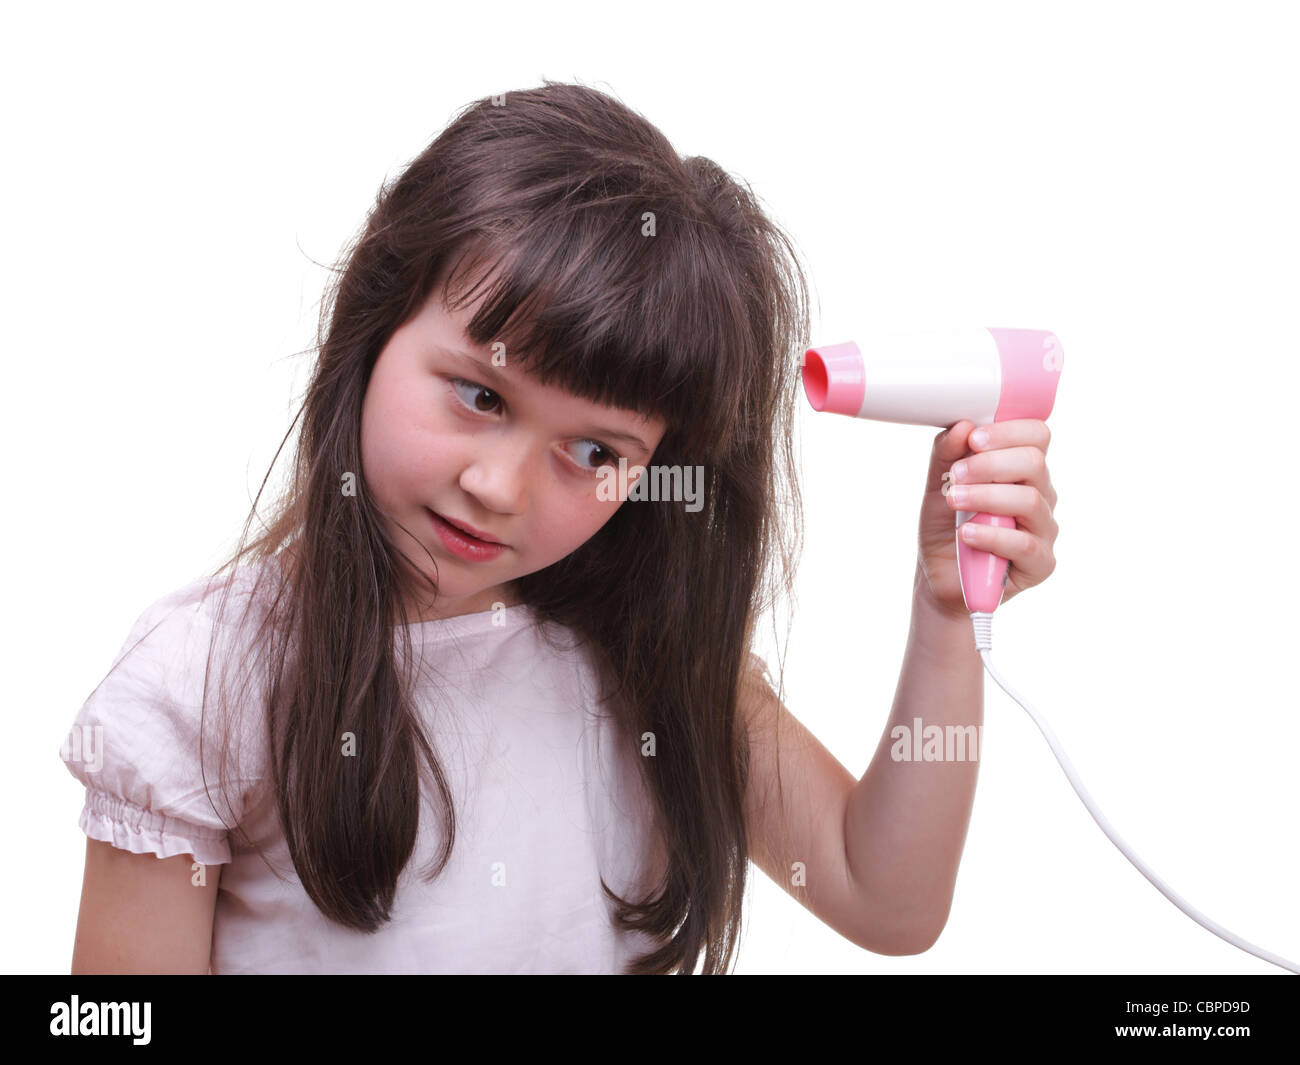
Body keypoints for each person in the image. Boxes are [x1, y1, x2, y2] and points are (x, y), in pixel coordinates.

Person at [59, 80, 1059, 975]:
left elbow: (884, 900)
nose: (498, 487)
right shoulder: (203, 684)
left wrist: (944, 609)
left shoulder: (645, 667)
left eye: (593, 454)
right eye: (479, 395)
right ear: (374, 325)